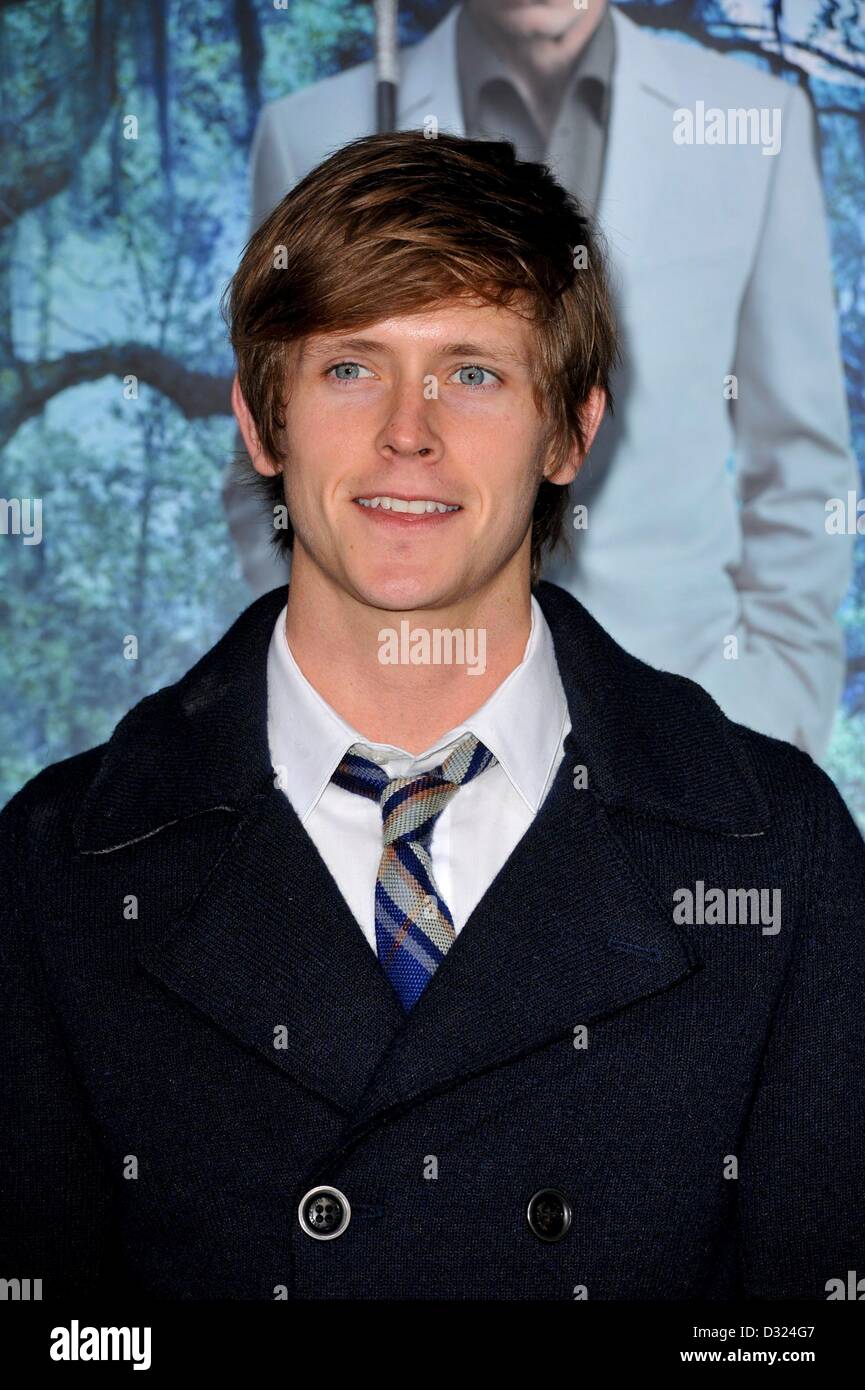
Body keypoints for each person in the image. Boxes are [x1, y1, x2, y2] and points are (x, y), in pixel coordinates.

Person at [2, 132, 863, 1301]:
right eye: (351, 367)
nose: (408, 431)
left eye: (473, 373)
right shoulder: (57, 868)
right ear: (263, 422)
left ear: (571, 433)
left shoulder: (777, 848)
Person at [224, 0, 856, 760]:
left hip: (691, 717)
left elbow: (800, 455)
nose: (407, 431)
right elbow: (273, 437)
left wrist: (773, 708)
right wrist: (331, 701)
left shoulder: (753, 125)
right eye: (355, 367)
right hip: (377, 732)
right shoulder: (310, 127)